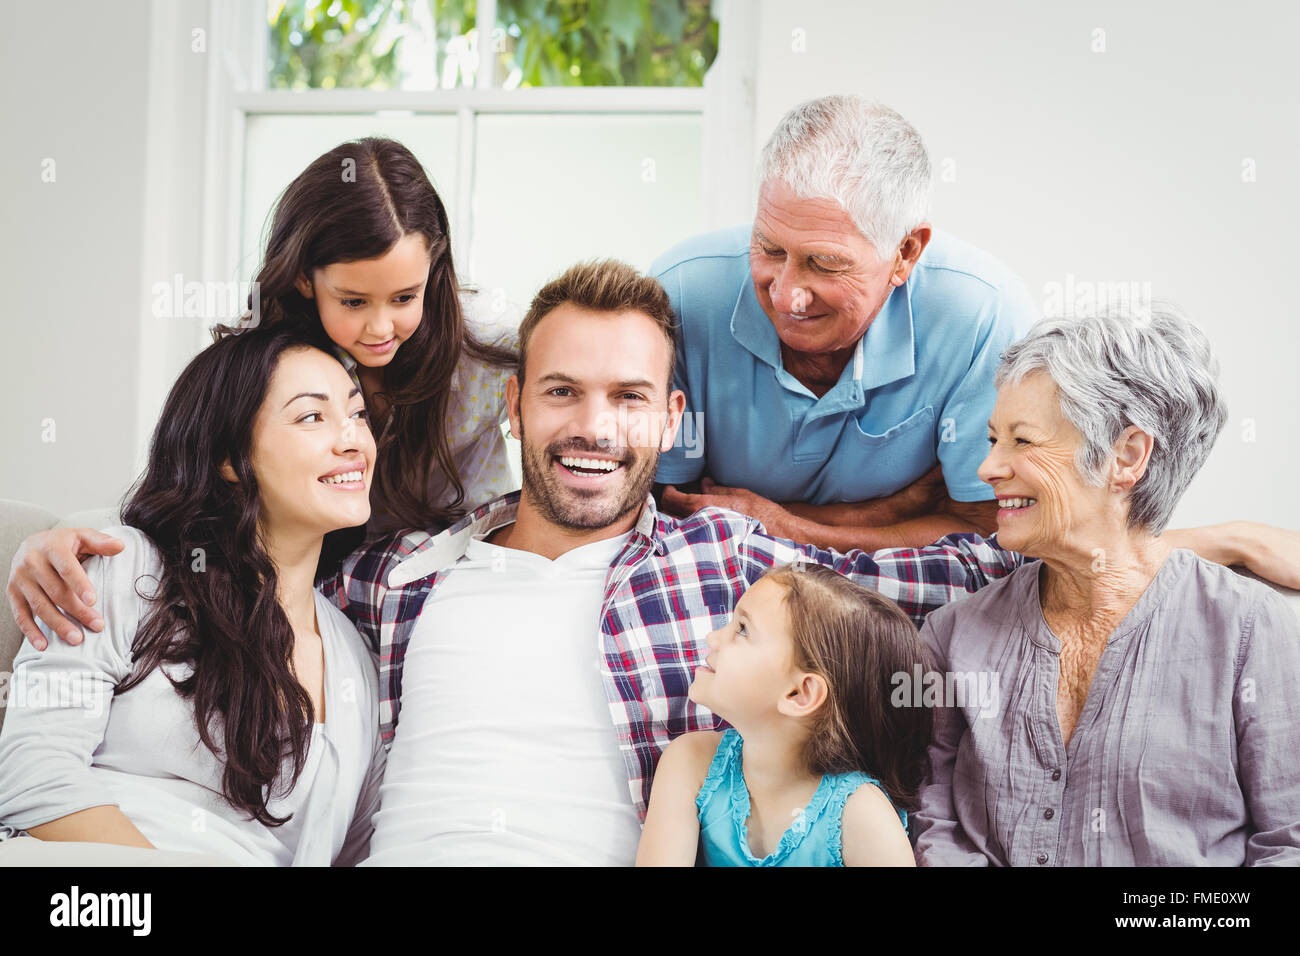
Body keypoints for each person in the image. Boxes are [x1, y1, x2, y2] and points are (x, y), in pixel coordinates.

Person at [8, 262, 1289, 866]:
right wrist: (46, 542)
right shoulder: (386, 576)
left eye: (630, 396)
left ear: (674, 420)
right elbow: (229, 558)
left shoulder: (727, 554)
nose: (592, 425)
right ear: (513, 410)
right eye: (561, 390)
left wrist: (1180, 540)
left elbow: (984, 565)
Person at [6, 136, 519, 650]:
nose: (380, 327)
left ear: (434, 271)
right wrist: (57, 538)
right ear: (302, 279)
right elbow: (187, 492)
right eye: (354, 300)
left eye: (405, 297)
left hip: (451, 589)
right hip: (309, 596)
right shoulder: (273, 365)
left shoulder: (490, 357)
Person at [911, 305, 1300, 866]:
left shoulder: (1248, 630)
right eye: (994, 439)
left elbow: (1289, 844)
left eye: (1022, 441)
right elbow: (933, 823)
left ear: (1126, 456)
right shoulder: (953, 635)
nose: (988, 468)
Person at [0, 323, 385, 866]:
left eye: (357, 414)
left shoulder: (355, 662)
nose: (351, 439)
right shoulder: (128, 568)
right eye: (311, 417)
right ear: (230, 458)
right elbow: (33, 774)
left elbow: (356, 851)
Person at [652, 94, 1036, 551]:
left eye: (825, 263)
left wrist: (784, 526)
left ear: (905, 253)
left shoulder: (983, 315)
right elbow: (668, 512)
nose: (786, 294)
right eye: (770, 248)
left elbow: (988, 529)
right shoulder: (678, 295)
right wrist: (886, 513)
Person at [636, 564, 925, 867]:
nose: (713, 637)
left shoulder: (863, 816)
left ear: (798, 694)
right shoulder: (690, 761)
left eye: (742, 629)